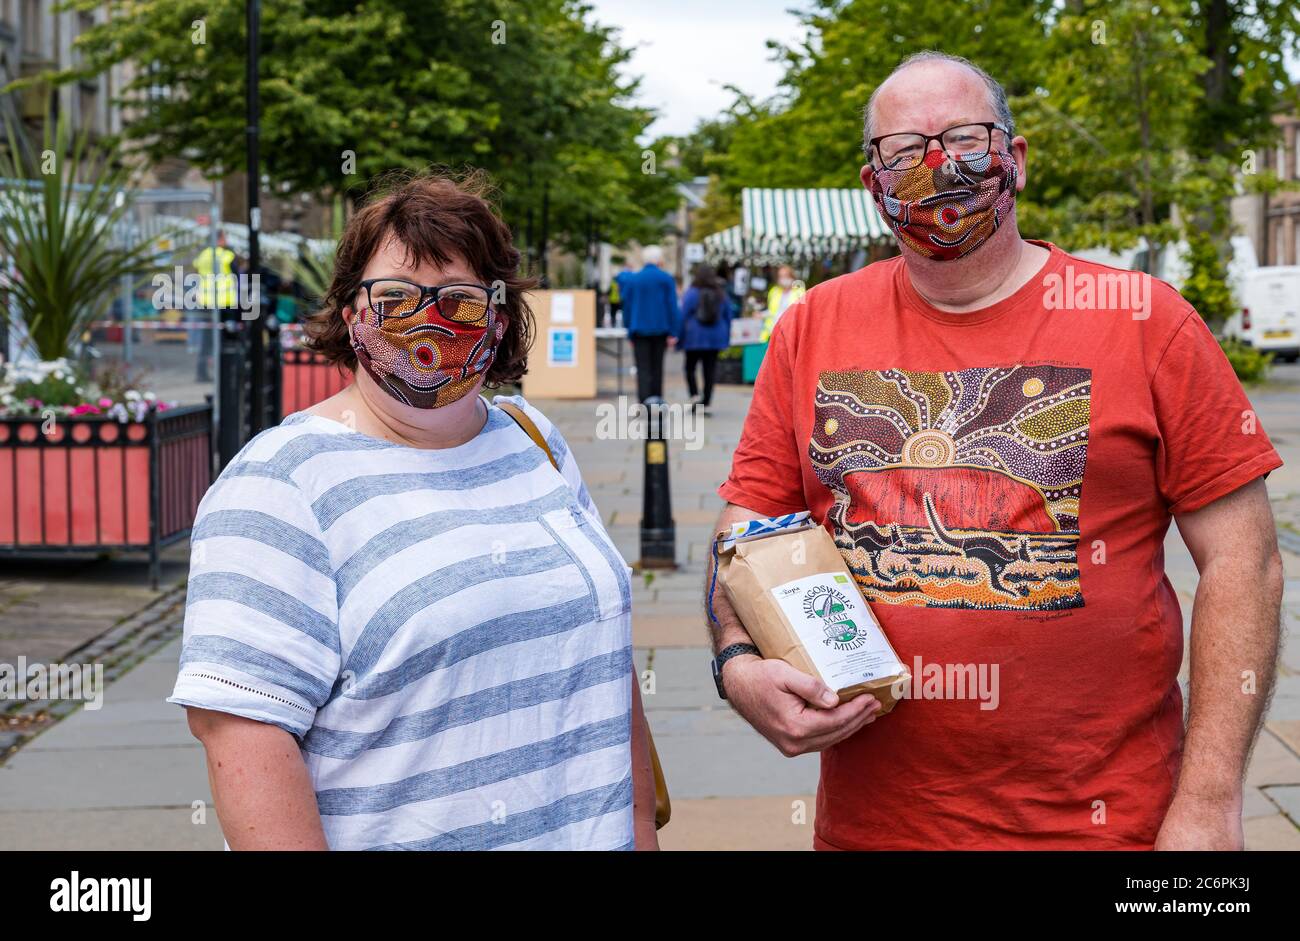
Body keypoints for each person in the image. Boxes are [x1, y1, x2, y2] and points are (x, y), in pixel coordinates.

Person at [707, 51, 1284, 851]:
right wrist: (736, 664)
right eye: (903, 152)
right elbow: (747, 531)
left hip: (1111, 828)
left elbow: (1243, 563)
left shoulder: (1147, 321)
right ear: (872, 184)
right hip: (875, 830)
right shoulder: (813, 325)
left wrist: (1212, 799)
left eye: (965, 138)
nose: (938, 168)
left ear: (1014, 156)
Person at [169, 173, 657, 851]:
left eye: (459, 299)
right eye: (395, 296)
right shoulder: (277, 483)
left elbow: (604, 659)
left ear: (500, 318)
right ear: (351, 315)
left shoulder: (532, 438)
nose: (428, 319)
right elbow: (245, 734)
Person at [620, 245, 680, 402]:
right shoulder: (666, 279)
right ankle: (657, 400)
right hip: (661, 329)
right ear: (659, 260)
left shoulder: (634, 279)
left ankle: (643, 402)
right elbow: (672, 306)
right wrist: (674, 331)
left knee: (642, 368)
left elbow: (626, 306)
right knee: (657, 368)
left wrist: (628, 329)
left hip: (639, 329)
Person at [676, 264, 734, 413]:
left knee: (690, 368)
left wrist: (679, 336)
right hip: (715, 337)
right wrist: (726, 336)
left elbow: (683, 315)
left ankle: (694, 395)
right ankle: (707, 402)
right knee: (710, 371)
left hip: (694, 337)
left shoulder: (692, 293)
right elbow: (728, 315)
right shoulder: (721, 293)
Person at [193, 231, 238, 382]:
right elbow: (237, 273)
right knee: (227, 340)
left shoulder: (203, 255)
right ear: (219, 239)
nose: (227, 240)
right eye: (225, 238)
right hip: (224, 302)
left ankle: (202, 372)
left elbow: (196, 268)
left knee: (206, 341)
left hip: (205, 302)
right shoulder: (226, 255)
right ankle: (225, 373)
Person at [760, 265, 804, 341]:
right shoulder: (774, 291)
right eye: (781, 276)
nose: (783, 279)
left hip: (791, 332)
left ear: (792, 277)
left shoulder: (799, 291)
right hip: (772, 332)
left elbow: (802, 312)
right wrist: (761, 314)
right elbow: (772, 311)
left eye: (786, 276)